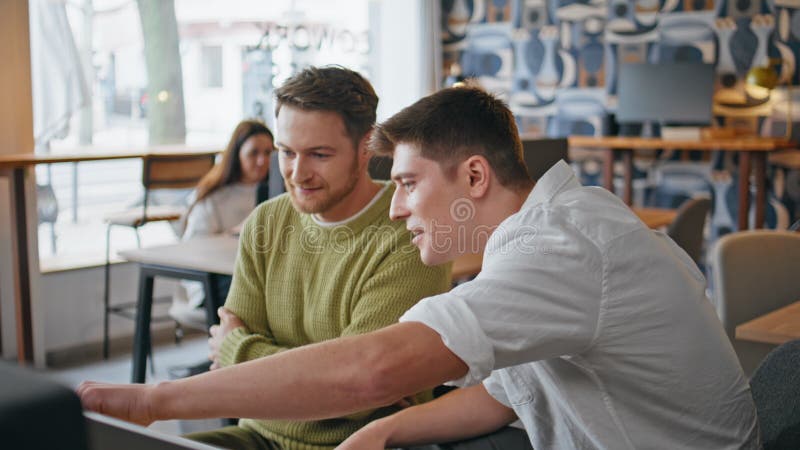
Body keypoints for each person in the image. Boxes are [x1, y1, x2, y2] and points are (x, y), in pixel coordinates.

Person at [79, 87, 759, 449]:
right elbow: (510, 393)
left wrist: (155, 400)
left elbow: (371, 370)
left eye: (406, 183)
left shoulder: (561, 250)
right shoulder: (558, 228)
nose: (397, 208)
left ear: (473, 176)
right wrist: (386, 428)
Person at [188, 66, 451, 450]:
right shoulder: (266, 221)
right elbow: (234, 381)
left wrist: (237, 349)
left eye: (319, 155)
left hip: (362, 443)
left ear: (366, 148)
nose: (297, 173)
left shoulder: (411, 234)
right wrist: (329, 378)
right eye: (287, 152)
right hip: (258, 435)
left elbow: (356, 394)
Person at [170, 119, 274, 329]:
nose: (262, 160)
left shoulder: (277, 195)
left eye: (268, 153)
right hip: (214, 281)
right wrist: (235, 233)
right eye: (253, 153)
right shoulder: (213, 198)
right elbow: (194, 249)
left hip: (255, 277)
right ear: (237, 155)